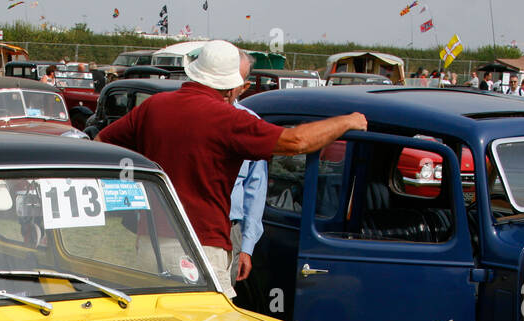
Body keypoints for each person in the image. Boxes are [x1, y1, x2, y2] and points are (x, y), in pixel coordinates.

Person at [96, 39, 366, 298]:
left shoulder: (152, 107)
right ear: (230, 88)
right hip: (201, 248)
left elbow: (100, 143)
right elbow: (297, 141)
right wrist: (347, 121)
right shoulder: (230, 119)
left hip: (148, 243)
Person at [228, 54, 267, 295]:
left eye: (233, 79)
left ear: (244, 87)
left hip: (228, 230)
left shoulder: (250, 125)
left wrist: (246, 247)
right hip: (179, 227)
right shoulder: (182, 115)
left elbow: (255, 190)